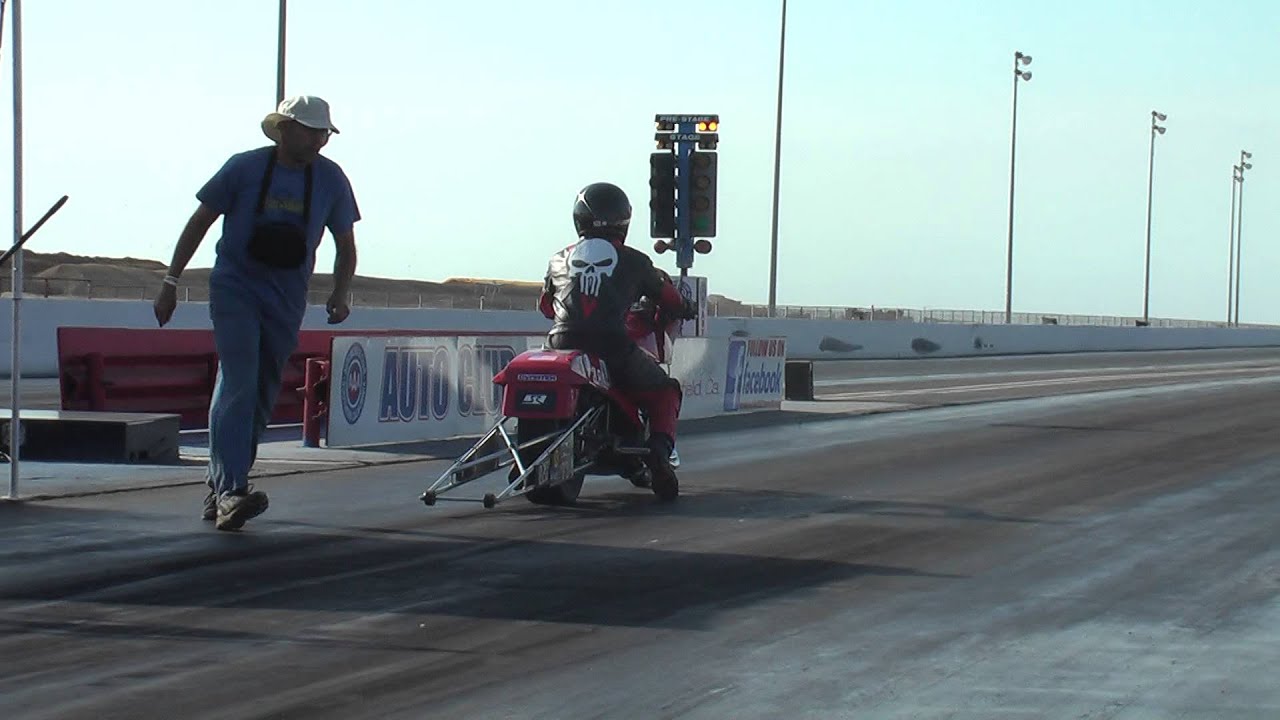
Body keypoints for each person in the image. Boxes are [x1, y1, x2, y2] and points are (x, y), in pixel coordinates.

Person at [153, 95, 361, 531]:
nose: (319, 141)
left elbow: (345, 244)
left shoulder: (331, 179)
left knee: (263, 391)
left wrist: (341, 292)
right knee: (239, 380)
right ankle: (232, 489)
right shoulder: (243, 168)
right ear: (284, 129)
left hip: (286, 297)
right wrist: (170, 282)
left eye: (324, 134)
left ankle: (220, 488)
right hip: (236, 290)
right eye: (311, 131)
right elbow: (199, 221)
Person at [537, 182, 696, 499]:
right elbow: (670, 299)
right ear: (623, 220)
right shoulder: (635, 261)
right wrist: (684, 306)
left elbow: (545, 307)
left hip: (560, 342)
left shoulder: (558, 259)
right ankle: (659, 453)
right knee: (665, 390)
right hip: (612, 345)